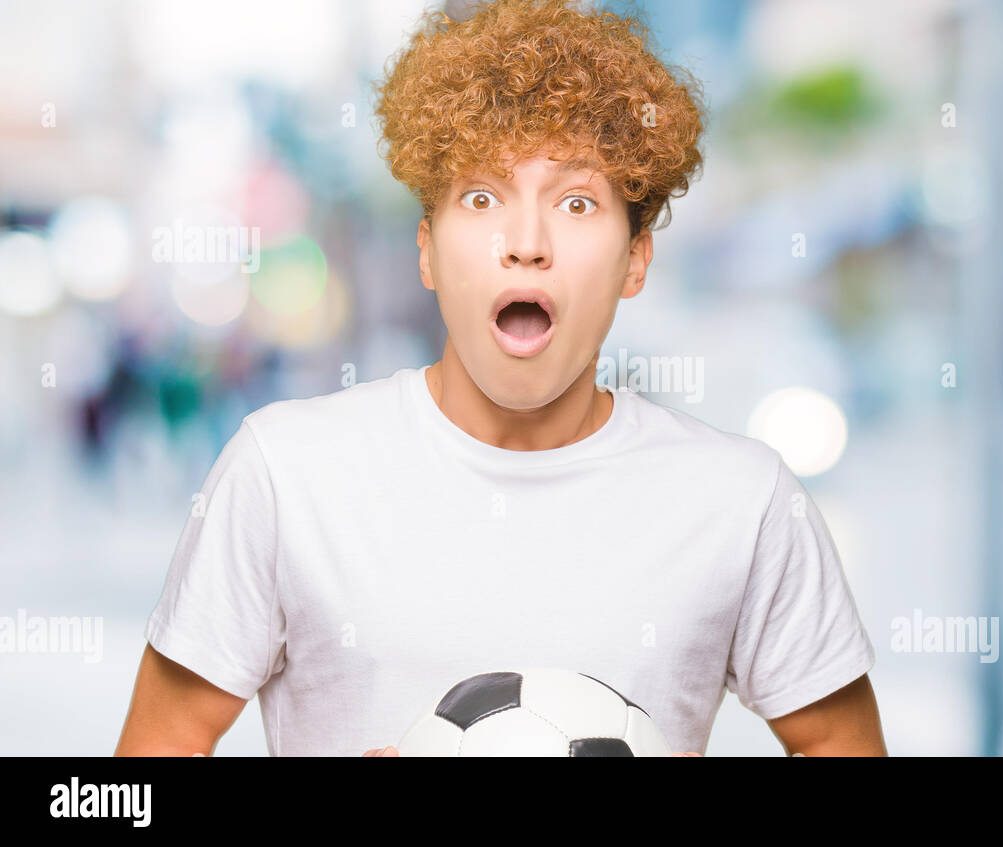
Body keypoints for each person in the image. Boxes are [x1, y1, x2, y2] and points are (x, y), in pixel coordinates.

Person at [115, 0, 885, 757]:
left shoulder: (744, 500)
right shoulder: (283, 472)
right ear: (427, 250)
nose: (526, 242)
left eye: (577, 202)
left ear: (636, 260)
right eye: (481, 198)